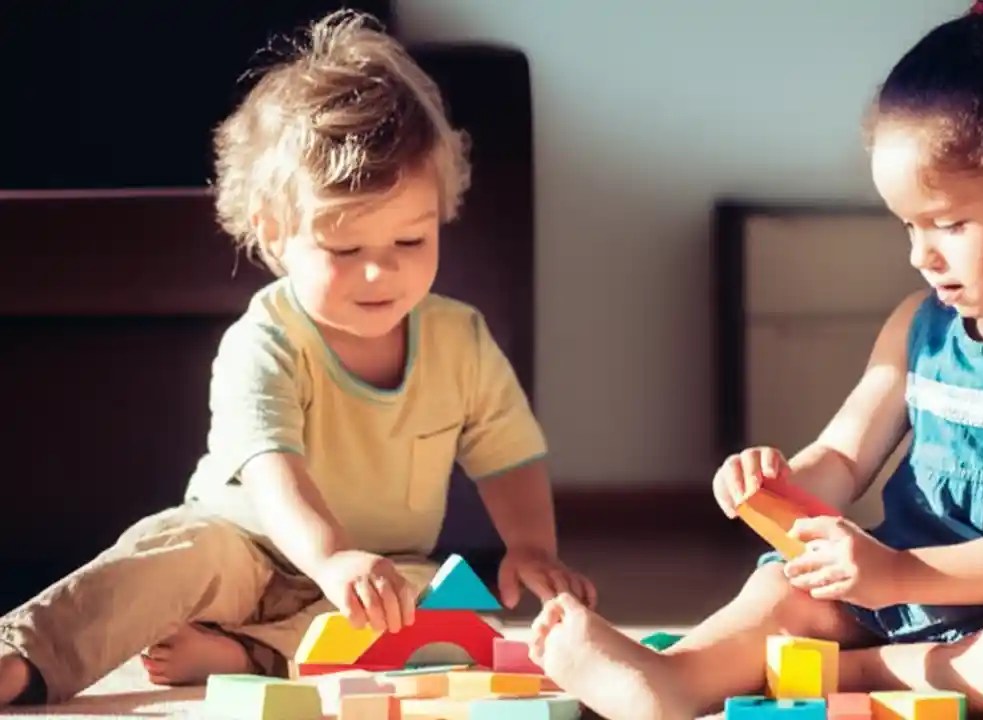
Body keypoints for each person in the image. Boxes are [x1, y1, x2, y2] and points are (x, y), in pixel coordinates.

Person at [526, 0, 983, 717]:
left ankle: (856, 672)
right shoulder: (920, 327)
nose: (921, 254)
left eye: (948, 224)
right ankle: (674, 677)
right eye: (908, 225)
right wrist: (779, 483)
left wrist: (899, 574)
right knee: (785, 587)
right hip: (898, 592)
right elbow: (843, 462)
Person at [0, 10, 595, 707]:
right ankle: (24, 655)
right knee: (165, 553)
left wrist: (531, 545)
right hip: (245, 548)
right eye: (346, 251)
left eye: (410, 243)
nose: (381, 275)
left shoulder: (460, 338)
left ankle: (246, 654)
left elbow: (510, 452)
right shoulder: (266, 341)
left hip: (379, 573)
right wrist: (330, 555)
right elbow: (273, 468)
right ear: (274, 232)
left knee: (443, 605)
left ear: (442, 212)